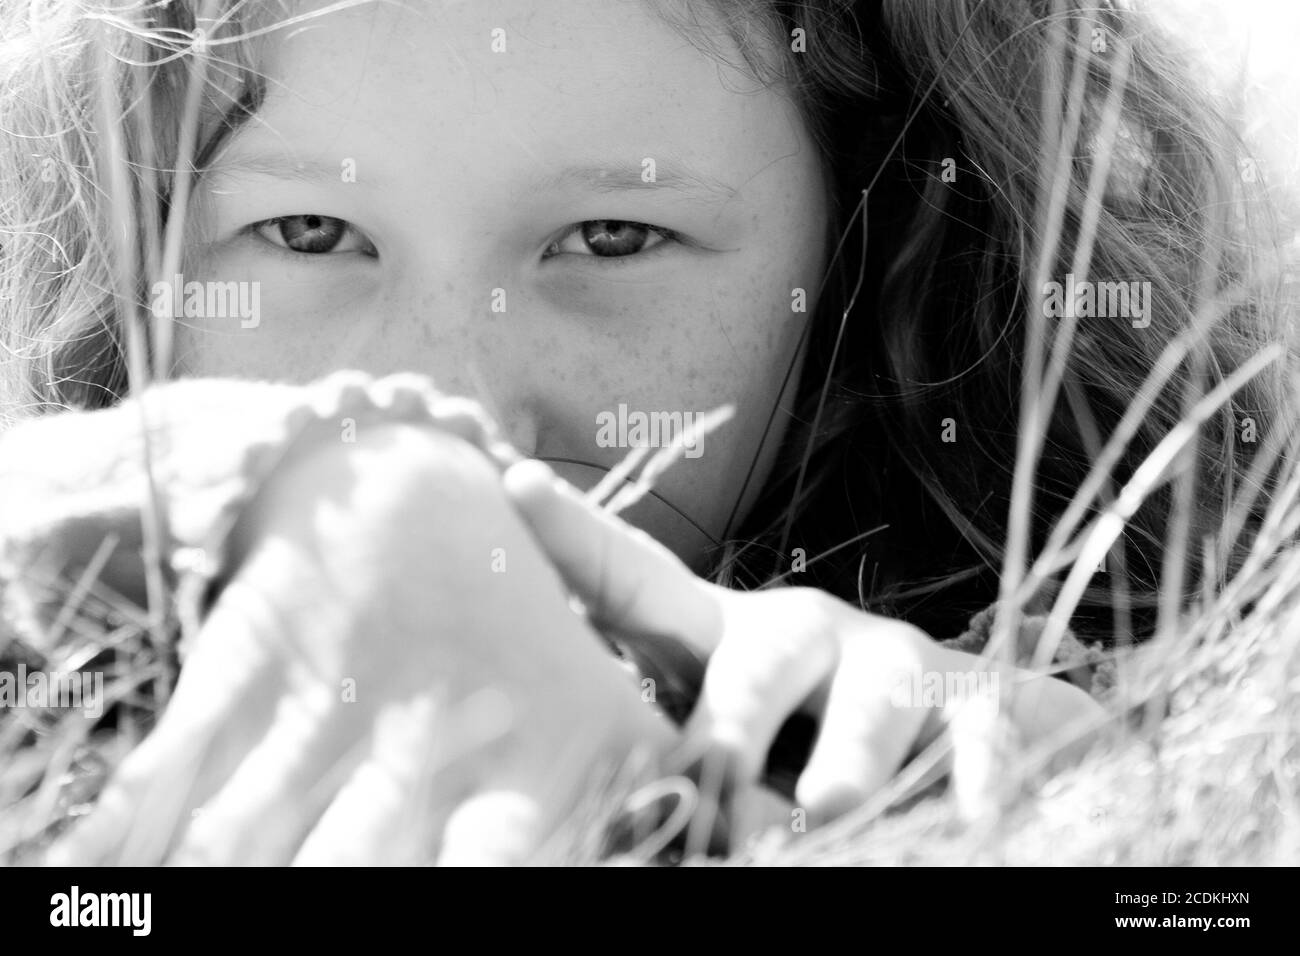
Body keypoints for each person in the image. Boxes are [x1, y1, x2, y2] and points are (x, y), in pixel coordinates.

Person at [0, 0, 1290, 864]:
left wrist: (961, 770)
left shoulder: (958, 727)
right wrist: (293, 485)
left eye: (613, 239)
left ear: (870, 245)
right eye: (312, 235)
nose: (463, 403)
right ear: (131, 269)